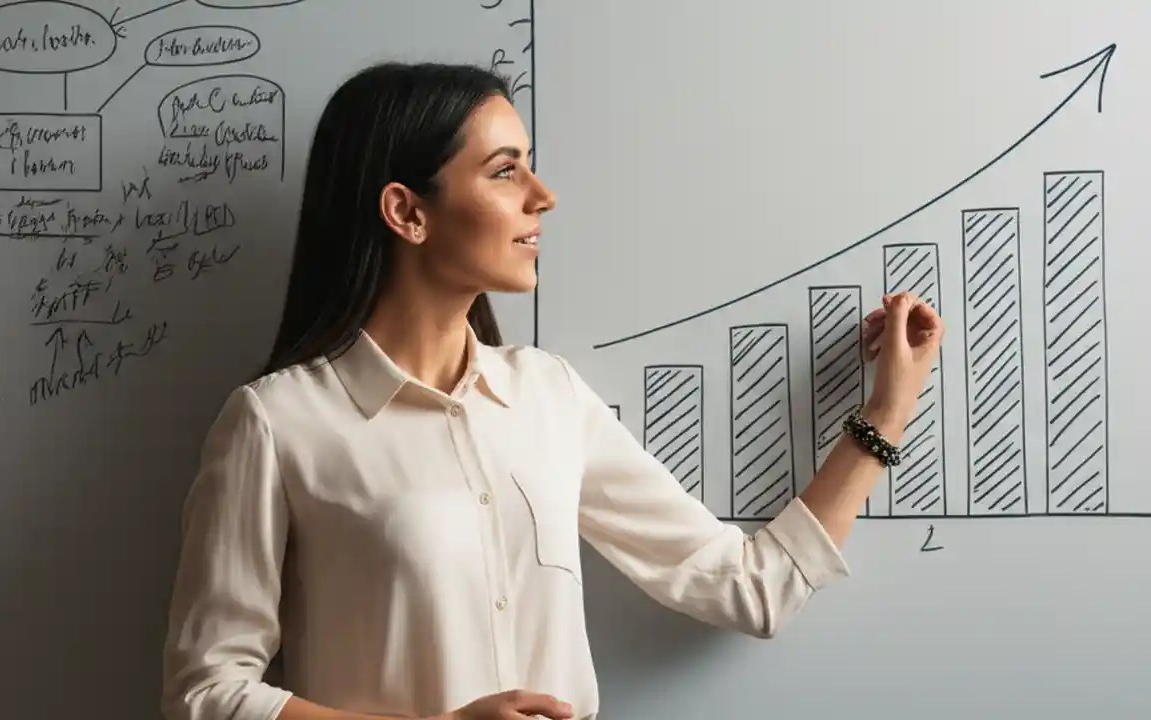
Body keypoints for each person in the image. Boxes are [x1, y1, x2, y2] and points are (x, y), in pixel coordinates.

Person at [160, 62, 944, 720]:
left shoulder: (549, 397)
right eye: (505, 170)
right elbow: (205, 691)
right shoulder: (276, 422)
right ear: (407, 211)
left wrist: (887, 413)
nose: (543, 195)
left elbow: (749, 589)